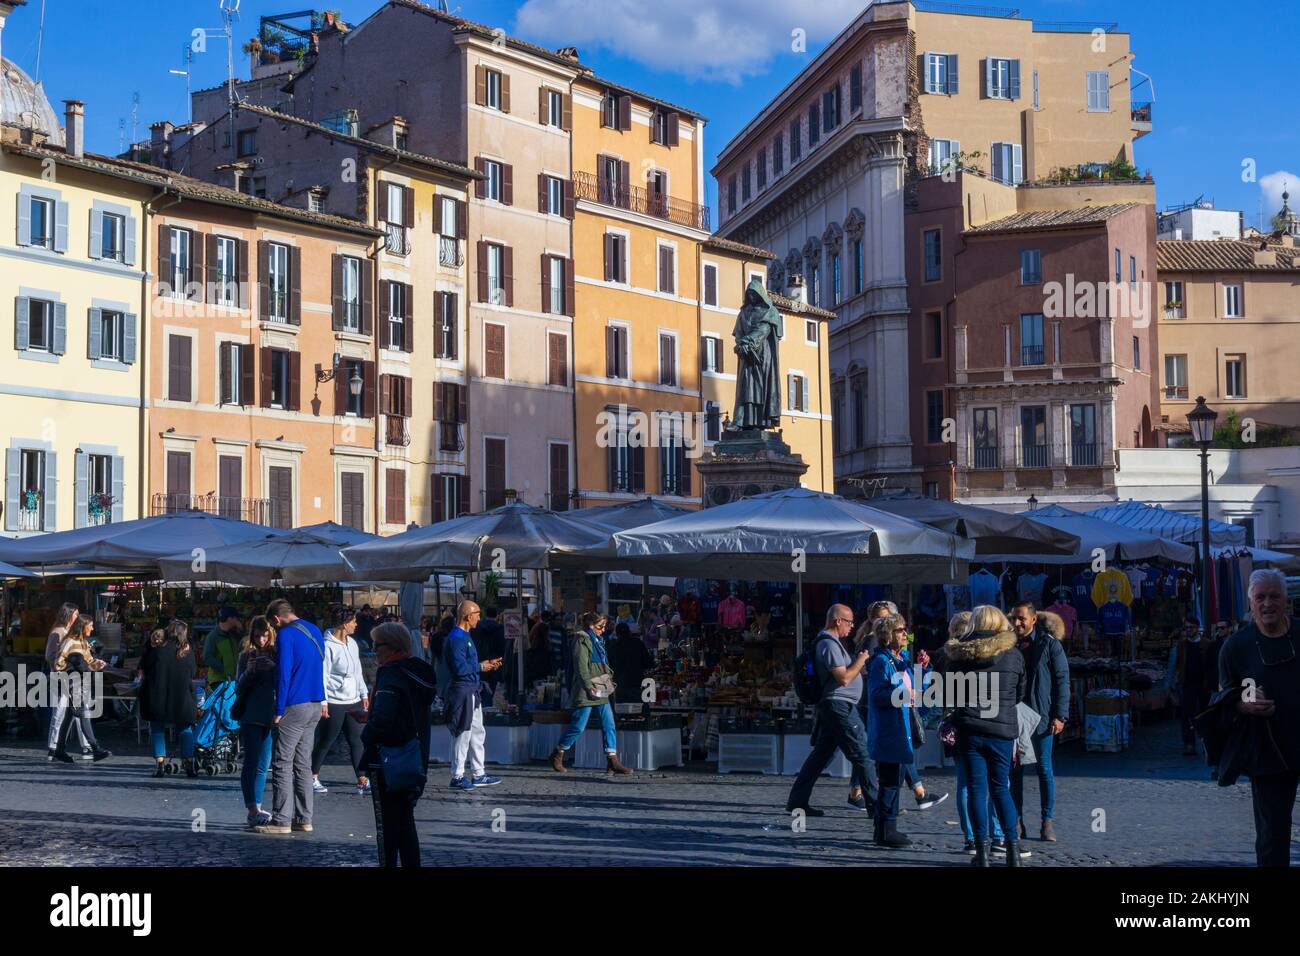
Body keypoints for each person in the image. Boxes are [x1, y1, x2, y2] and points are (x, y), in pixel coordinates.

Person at [1218, 569, 1300, 867]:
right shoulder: (1235, 647)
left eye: (1274, 596)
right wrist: (1243, 704)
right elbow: (1225, 699)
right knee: (1272, 834)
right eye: (1260, 597)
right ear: (1251, 603)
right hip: (1268, 751)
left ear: (1286, 600)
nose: (1268, 604)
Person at [936, 605, 1026, 867]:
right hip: (1001, 730)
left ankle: (982, 853)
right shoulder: (1014, 655)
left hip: (971, 729)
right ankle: (1013, 851)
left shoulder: (957, 654)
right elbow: (1020, 693)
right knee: (1001, 789)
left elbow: (949, 695)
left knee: (977, 789)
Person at [784, 605, 875, 822]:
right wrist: (861, 660)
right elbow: (843, 678)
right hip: (839, 707)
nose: (852, 627)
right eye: (850, 622)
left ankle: (797, 801)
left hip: (835, 706)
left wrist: (859, 667)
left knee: (820, 757)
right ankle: (877, 807)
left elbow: (848, 673)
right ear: (838, 621)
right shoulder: (828, 644)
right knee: (863, 755)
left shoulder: (833, 644)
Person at [362, 621, 437, 867]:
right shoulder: (416, 673)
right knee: (405, 820)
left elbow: (383, 718)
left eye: (377, 646)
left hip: (388, 758)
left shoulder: (391, 674)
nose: (374, 652)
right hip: (413, 757)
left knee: (388, 826)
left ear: (391, 647)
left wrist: (367, 735)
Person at [254, 599, 327, 835]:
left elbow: (284, 674)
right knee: (303, 764)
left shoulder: (286, 635)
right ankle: (304, 818)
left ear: (276, 619)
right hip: (315, 702)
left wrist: (278, 710)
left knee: (282, 762)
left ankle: (282, 820)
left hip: (294, 704)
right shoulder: (314, 630)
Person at [1008, 603, 1069, 843]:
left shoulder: (1049, 644)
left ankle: (1047, 822)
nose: (1017, 624)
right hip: (1013, 716)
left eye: (1021, 619)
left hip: (1042, 716)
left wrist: (1060, 715)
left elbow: (1062, 680)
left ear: (1034, 619)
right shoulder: (1007, 644)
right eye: (1014, 619)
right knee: (1015, 772)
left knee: (1044, 769)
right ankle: (1017, 821)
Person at [550, 613, 633, 774]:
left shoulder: (598, 640)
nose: (603, 630)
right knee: (578, 726)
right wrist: (588, 687)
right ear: (590, 625)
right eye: (600, 626)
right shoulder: (581, 639)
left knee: (609, 723)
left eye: (604, 627)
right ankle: (558, 753)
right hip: (586, 688)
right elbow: (581, 667)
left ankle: (612, 760)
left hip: (600, 686)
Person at [866, 613, 915, 849]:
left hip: (900, 729)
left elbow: (911, 688)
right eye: (900, 630)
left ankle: (884, 830)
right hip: (888, 731)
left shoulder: (900, 658)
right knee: (889, 783)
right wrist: (903, 695)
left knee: (894, 780)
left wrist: (922, 669)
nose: (905, 633)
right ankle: (887, 830)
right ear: (887, 635)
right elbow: (876, 696)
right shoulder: (881, 662)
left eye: (905, 630)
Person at [443, 600, 502, 791]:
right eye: (477, 614)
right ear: (468, 616)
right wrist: (481, 666)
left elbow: (467, 664)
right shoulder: (457, 638)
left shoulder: (464, 636)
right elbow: (460, 668)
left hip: (471, 689)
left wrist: (485, 664)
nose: (479, 618)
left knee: (477, 732)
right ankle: (457, 775)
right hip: (463, 690)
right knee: (463, 733)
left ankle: (478, 773)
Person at [311, 607, 370, 796]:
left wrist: (364, 694)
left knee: (357, 740)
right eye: (353, 621)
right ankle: (312, 776)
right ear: (345, 624)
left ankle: (362, 778)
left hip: (353, 699)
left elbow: (357, 670)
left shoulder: (352, 643)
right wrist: (323, 701)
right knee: (327, 739)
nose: (356, 624)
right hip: (334, 701)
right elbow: (323, 675)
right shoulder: (327, 645)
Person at [140, 620, 199, 778]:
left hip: (157, 696)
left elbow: (143, 669)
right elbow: (193, 672)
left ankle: (160, 763)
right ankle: (188, 762)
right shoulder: (186, 651)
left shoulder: (156, 650)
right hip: (181, 697)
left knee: (157, 729)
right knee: (185, 729)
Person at [235, 617, 278, 827]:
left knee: (264, 763)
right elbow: (238, 687)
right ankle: (252, 808)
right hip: (251, 714)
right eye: (257, 635)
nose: (261, 639)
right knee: (251, 762)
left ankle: (257, 806)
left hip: (270, 715)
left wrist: (274, 668)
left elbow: (284, 682)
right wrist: (249, 672)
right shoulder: (246, 656)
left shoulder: (278, 655)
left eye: (265, 635)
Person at [53, 616, 111, 762]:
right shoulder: (70, 642)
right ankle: (95, 748)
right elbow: (58, 662)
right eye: (90, 625)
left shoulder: (83, 643)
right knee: (82, 712)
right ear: (82, 626)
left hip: (81, 682)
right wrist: (72, 669)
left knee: (70, 715)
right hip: (73, 682)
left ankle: (59, 749)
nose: (92, 628)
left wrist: (97, 664)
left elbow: (88, 663)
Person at [45, 603, 90, 762]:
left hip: (73, 678)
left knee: (77, 711)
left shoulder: (72, 633)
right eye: (76, 614)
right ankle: (53, 746)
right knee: (60, 712)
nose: (77, 617)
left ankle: (85, 745)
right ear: (69, 615)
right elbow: (50, 655)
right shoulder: (58, 632)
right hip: (62, 677)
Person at [1175, 620, 1213, 757]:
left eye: (1191, 627)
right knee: (1187, 715)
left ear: (1197, 628)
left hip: (1204, 684)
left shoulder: (1206, 644)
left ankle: (1207, 742)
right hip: (1187, 684)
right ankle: (1189, 743)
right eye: (1186, 628)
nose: (1189, 630)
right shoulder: (1182, 645)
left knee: (1205, 714)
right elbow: (1177, 663)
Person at [607, 620, 653, 705]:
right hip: (636, 682)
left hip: (619, 684)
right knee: (638, 709)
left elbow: (609, 665)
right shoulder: (638, 643)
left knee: (621, 710)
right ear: (629, 632)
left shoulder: (613, 646)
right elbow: (648, 663)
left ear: (617, 634)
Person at [202, 607, 243, 688]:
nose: (238, 621)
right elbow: (207, 658)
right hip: (218, 681)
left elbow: (245, 642)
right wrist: (225, 670)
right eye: (236, 618)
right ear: (230, 619)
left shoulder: (233, 634)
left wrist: (241, 630)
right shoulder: (213, 636)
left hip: (232, 679)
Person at [524, 612, 555, 687]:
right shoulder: (542, 626)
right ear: (547, 618)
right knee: (541, 675)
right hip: (539, 653)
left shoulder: (537, 625)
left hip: (535, 652)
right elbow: (546, 640)